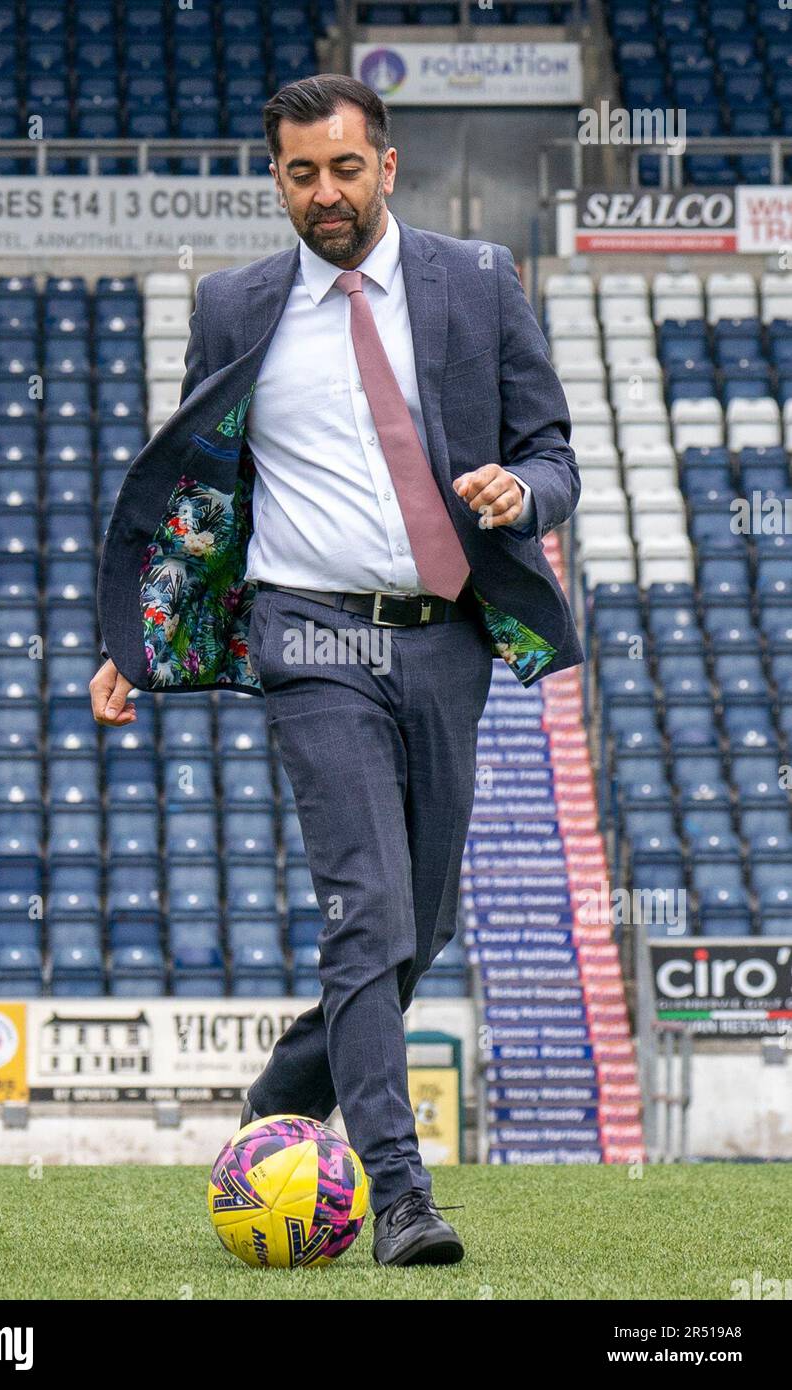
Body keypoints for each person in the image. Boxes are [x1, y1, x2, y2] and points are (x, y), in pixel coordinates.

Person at [91, 73, 582, 1266]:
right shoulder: (235, 303)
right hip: (307, 633)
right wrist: (137, 647)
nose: (324, 193)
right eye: (300, 173)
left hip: (447, 632)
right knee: (364, 908)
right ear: (277, 178)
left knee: (421, 925)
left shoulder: (477, 283)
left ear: (387, 168)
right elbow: (205, 489)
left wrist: (521, 493)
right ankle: (400, 1191)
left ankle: (278, 1100)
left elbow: (553, 451)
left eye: (344, 169)